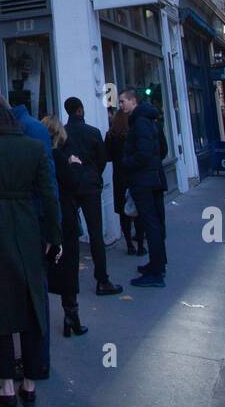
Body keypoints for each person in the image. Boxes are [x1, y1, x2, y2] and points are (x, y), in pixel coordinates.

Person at [0, 97, 62, 407]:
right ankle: (30, 384)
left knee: (0, 306)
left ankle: (6, 386)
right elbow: (49, 193)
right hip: (27, 227)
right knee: (32, 302)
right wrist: (53, 235)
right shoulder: (34, 148)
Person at [63, 96, 122, 294]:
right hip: (89, 184)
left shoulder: (63, 133)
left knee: (70, 233)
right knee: (96, 232)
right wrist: (94, 173)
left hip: (71, 184)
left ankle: (69, 281)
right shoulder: (93, 132)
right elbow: (102, 158)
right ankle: (102, 279)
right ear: (80, 110)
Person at [42, 114, 89, 336]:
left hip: (46, 220)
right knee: (69, 268)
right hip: (65, 218)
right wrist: (76, 166)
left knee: (49, 266)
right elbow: (73, 185)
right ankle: (71, 315)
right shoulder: (59, 157)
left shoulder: (40, 157)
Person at [120, 87, 168, 288]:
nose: (120, 105)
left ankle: (156, 273)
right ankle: (158, 264)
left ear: (133, 101)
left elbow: (143, 154)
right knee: (155, 223)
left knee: (151, 225)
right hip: (154, 178)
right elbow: (161, 150)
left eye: (123, 101)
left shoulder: (140, 123)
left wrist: (126, 162)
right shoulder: (150, 121)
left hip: (144, 181)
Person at [105, 107, 147, 252]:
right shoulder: (134, 133)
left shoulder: (111, 135)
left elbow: (107, 156)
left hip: (119, 176)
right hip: (135, 175)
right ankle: (141, 245)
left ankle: (129, 244)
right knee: (138, 210)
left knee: (124, 212)